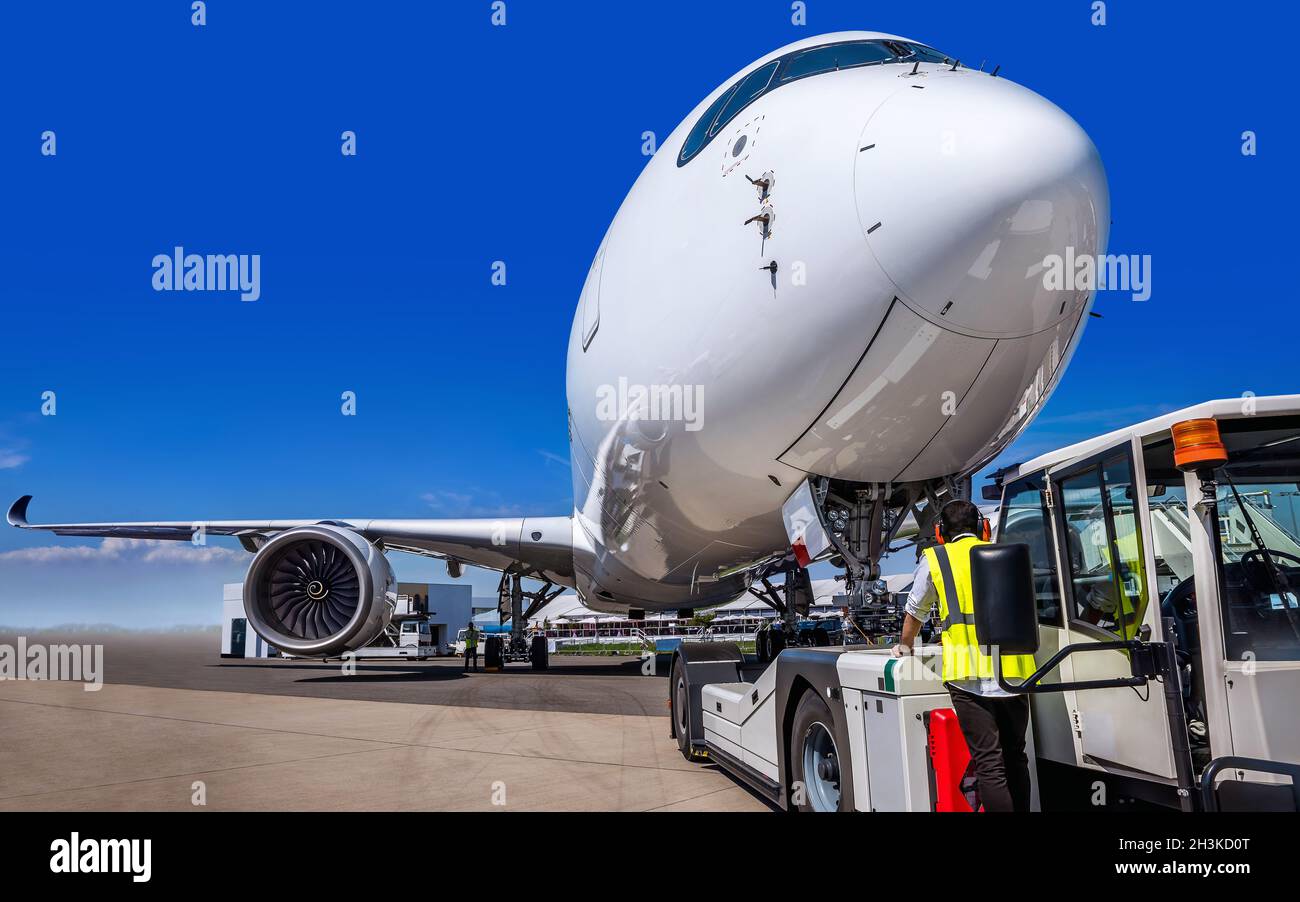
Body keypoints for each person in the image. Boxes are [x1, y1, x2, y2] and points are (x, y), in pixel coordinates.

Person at [891, 499, 1037, 812]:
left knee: (989, 763)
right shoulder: (1007, 553)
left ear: (939, 532)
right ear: (984, 528)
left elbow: (914, 612)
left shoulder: (936, 559)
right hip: (1015, 672)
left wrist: (904, 646)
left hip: (969, 678)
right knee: (1016, 757)